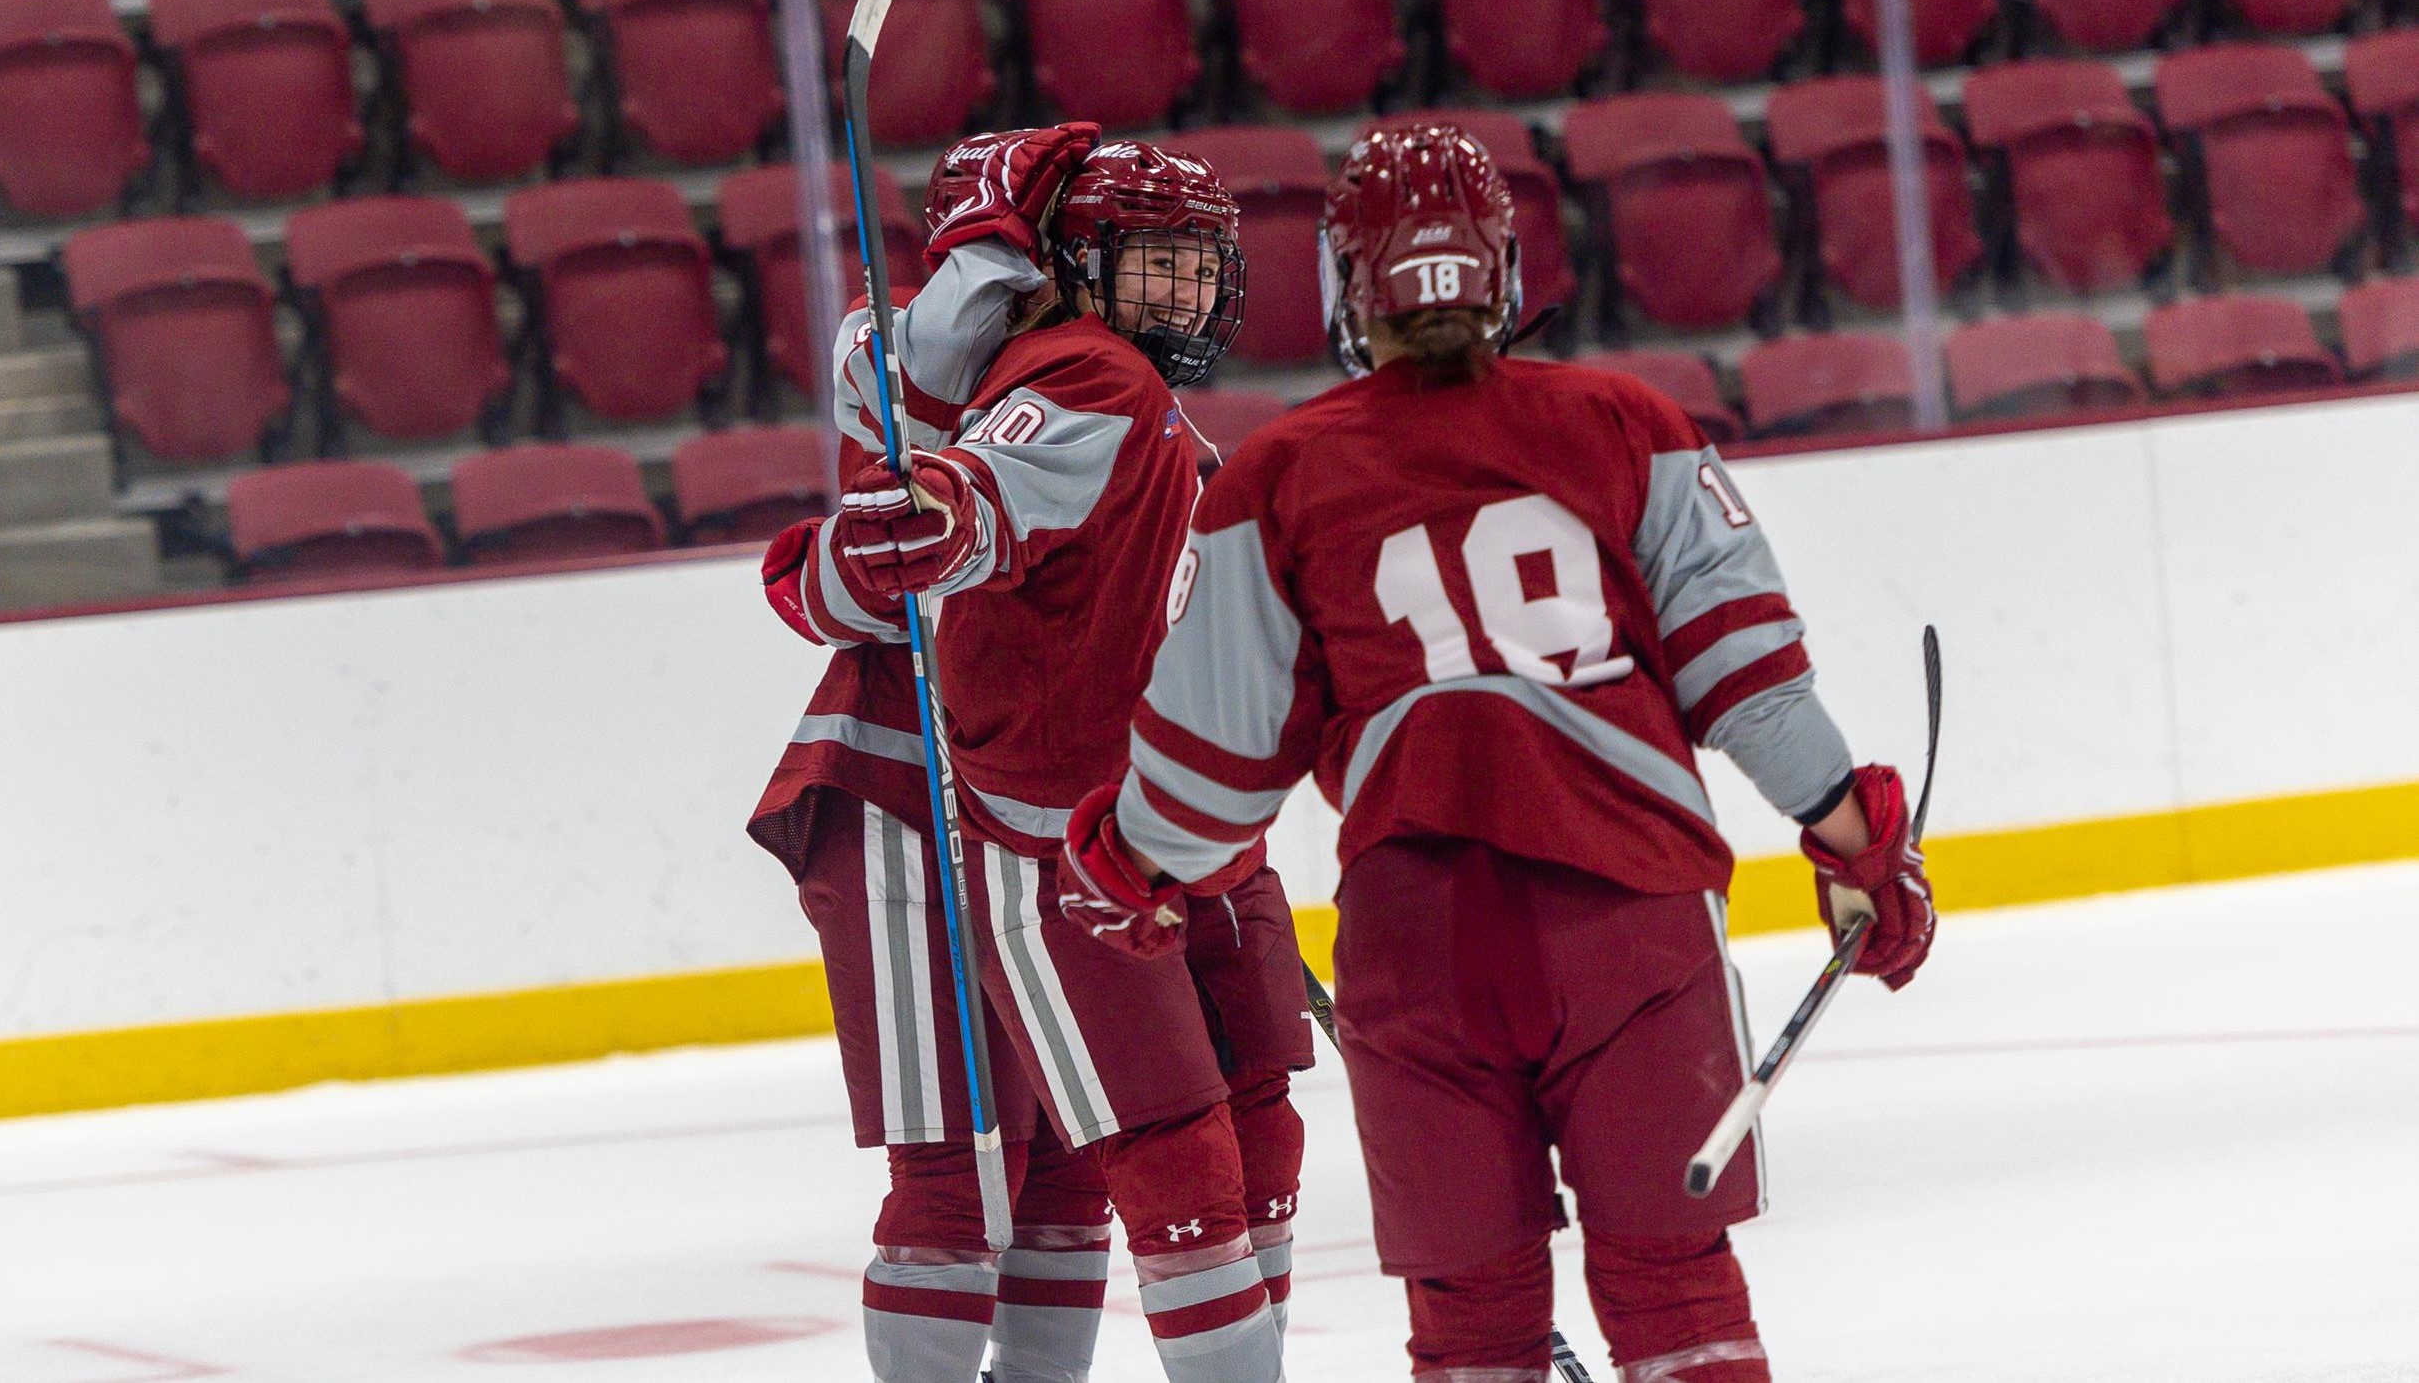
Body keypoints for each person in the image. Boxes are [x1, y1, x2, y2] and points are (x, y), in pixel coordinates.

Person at [1051, 124, 1937, 1383]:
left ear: (1348, 280)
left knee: (1473, 1322)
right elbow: (1753, 685)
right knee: (1676, 1288)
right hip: (1634, 927)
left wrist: (1126, 868)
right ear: (1500, 267)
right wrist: (1861, 844)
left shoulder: (1273, 477)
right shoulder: (1630, 423)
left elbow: (1204, 782)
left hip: (1425, 948)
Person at [752, 129, 1313, 1383]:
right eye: (1150, 262)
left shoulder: (1097, 387)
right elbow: (913, 511)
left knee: (1079, 1155)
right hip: (919, 798)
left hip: (1099, 819)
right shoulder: (1013, 374)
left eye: (1191, 266)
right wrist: (901, 532)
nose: (1187, 294)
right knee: (964, 1164)